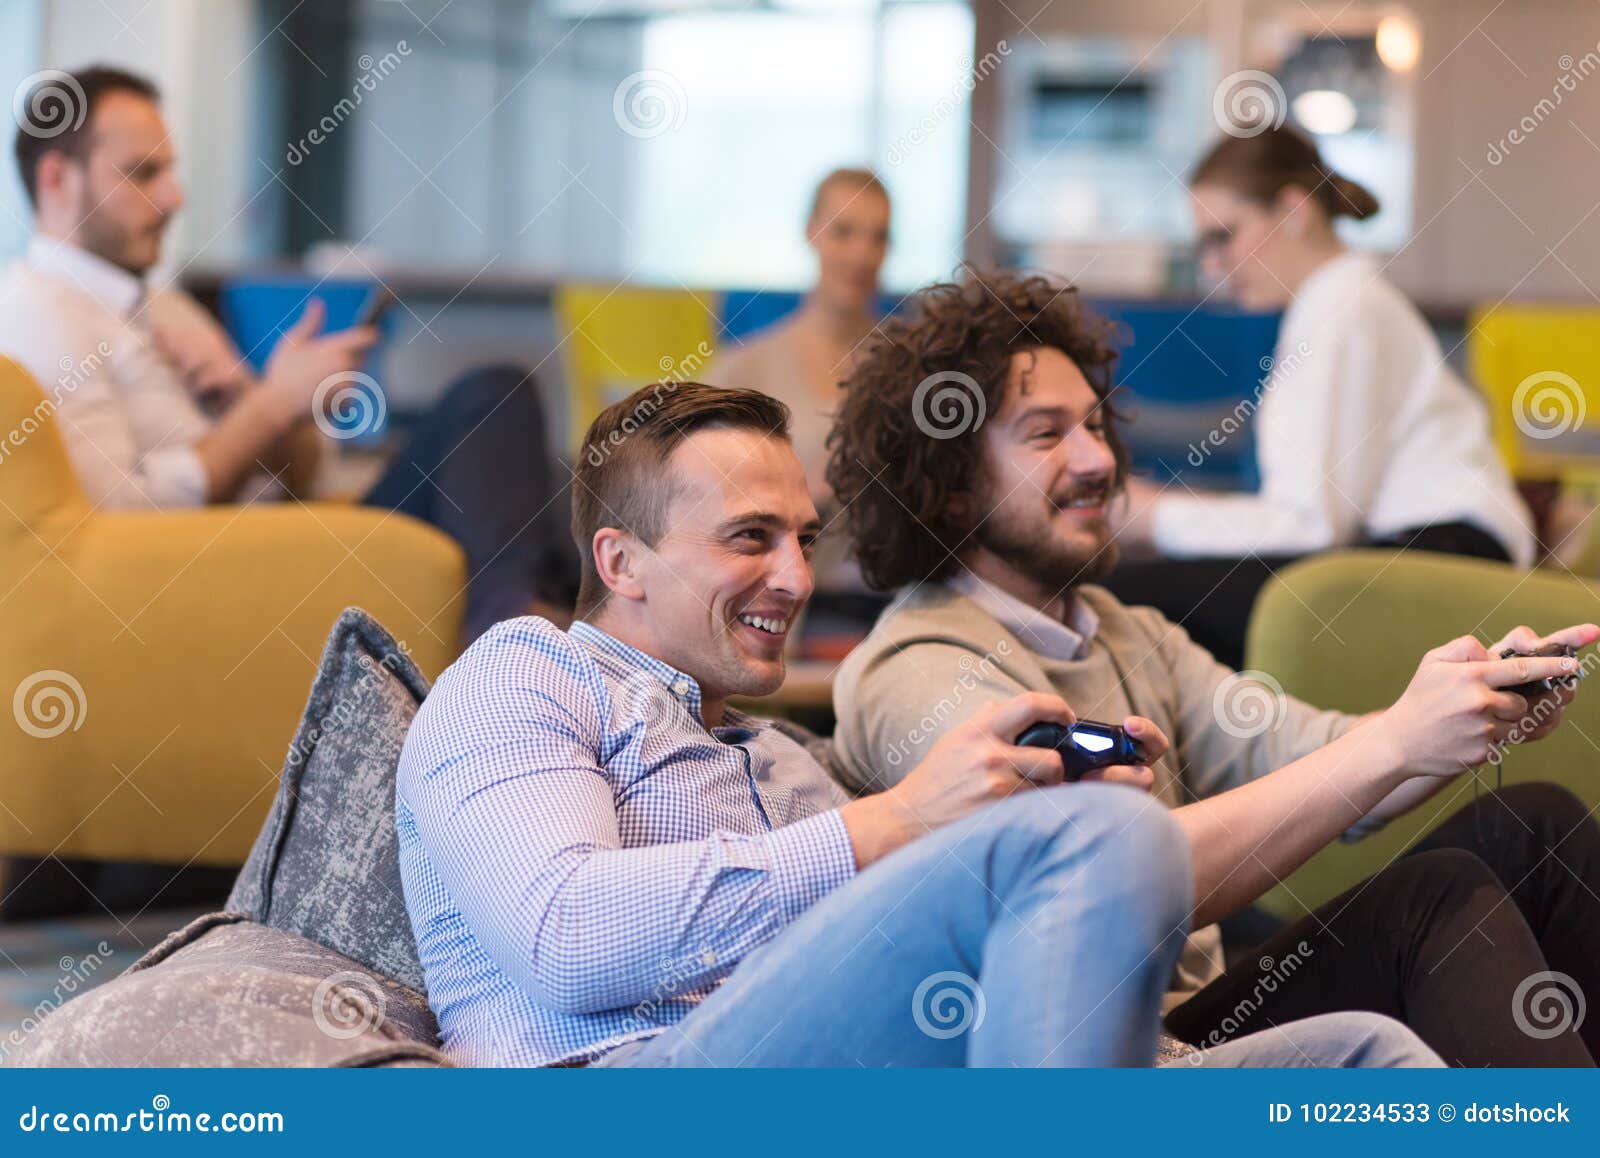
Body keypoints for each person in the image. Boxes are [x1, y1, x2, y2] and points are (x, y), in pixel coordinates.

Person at [397, 380, 1440, 1069]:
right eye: (750, 539)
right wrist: (892, 827)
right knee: (1100, 836)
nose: (798, 578)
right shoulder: (523, 677)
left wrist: (1016, 854)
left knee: (1363, 1060)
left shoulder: (780, 762)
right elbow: (566, 937)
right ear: (619, 562)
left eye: (804, 538)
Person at [827, 271, 1599, 1067]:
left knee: (1531, 826)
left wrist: (1464, 710)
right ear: (950, 488)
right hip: (1115, 1050)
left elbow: (1324, 759)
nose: (1098, 459)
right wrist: (1397, 741)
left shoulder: (1128, 633)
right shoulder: (918, 671)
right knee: (1432, 905)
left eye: (1096, 426)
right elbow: (1101, 893)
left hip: (1199, 1005)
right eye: (1047, 434)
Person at [0, 65, 577, 644]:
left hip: (292, 535)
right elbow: (117, 519)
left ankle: (533, 630)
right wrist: (272, 404)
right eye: (141, 174)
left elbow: (302, 482)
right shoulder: (37, 312)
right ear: (57, 179)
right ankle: (525, 644)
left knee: (495, 403)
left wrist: (262, 398)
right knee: (494, 426)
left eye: (170, 171)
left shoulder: (163, 308)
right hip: (239, 574)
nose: (173, 197)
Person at [1106, 124, 1534, 668]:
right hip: (1426, 554)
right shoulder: (1338, 304)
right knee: (1136, 593)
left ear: (1293, 209)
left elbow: (1308, 525)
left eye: (1224, 236)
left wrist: (1151, 517)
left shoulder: (1342, 311)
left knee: (1121, 596)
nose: (1213, 267)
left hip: (1446, 561)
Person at [711, 168, 890, 630]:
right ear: (811, 233)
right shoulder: (743, 369)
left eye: (878, 237)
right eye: (844, 232)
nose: (861, 254)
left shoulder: (912, 373)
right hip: (773, 607)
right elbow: (703, 498)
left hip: (887, 600)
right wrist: (802, 494)